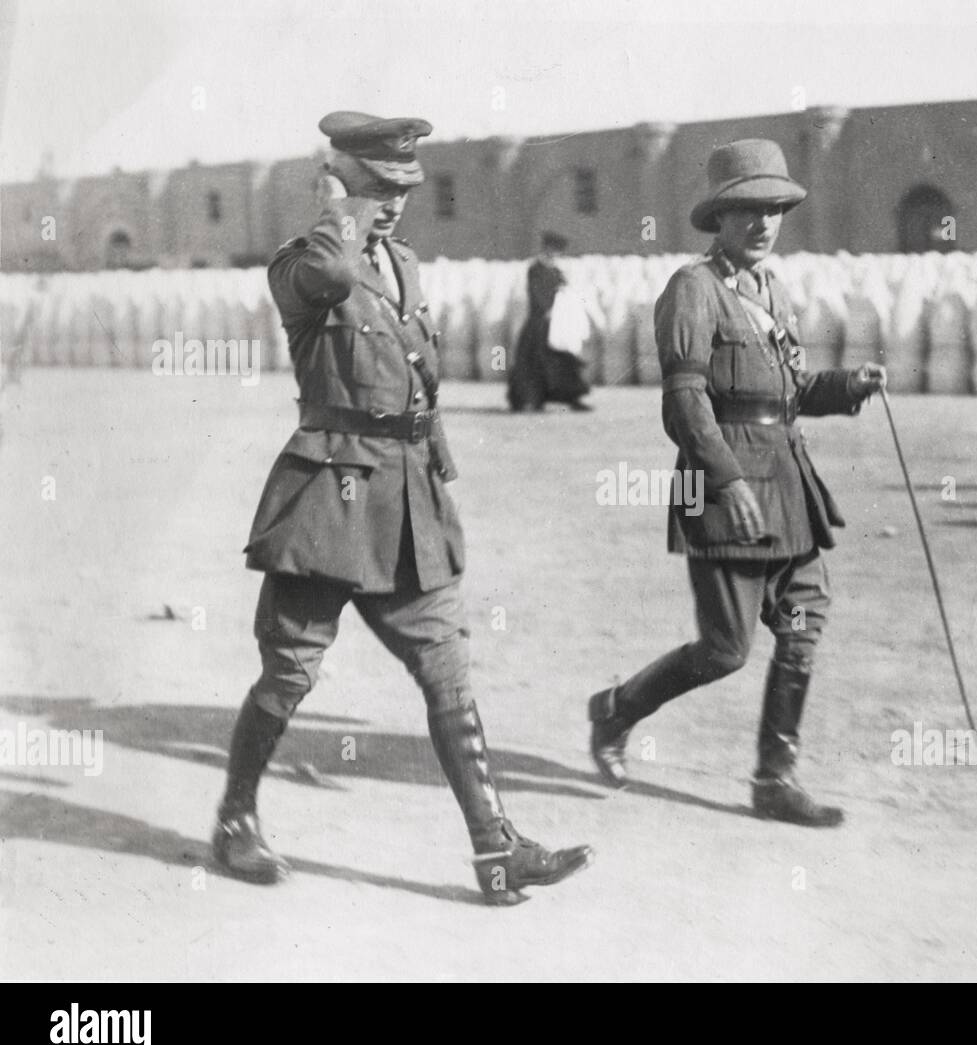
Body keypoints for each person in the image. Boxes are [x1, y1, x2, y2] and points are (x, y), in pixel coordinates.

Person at [213, 111, 592, 905]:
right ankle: (235, 817)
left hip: (406, 499)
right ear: (337, 181)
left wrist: (439, 457)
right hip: (329, 500)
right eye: (374, 186)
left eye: (402, 189)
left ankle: (496, 847)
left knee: (448, 670)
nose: (390, 203)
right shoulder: (304, 263)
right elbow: (329, 279)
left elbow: (417, 374)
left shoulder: (405, 266)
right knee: (289, 673)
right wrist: (334, 213)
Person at [586, 139, 887, 827]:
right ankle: (614, 710)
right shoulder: (693, 290)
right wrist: (726, 482)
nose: (764, 224)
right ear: (719, 218)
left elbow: (788, 390)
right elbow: (685, 402)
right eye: (748, 210)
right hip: (721, 486)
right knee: (725, 650)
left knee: (804, 623)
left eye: (775, 209)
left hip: (786, 482)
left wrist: (846, 387)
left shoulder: (771, 290)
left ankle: (773, 779)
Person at [506, 231, 593, 411]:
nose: (555, 254)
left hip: (557, 326)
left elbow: (566, 289)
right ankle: (530, 401)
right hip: (539, 324)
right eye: (553, 250)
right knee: (533, 364)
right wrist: (547, 307)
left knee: (563, 361)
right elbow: (536, 294)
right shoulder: (535, 269)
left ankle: (572, 399)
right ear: (546, 249)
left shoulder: (556, 270)